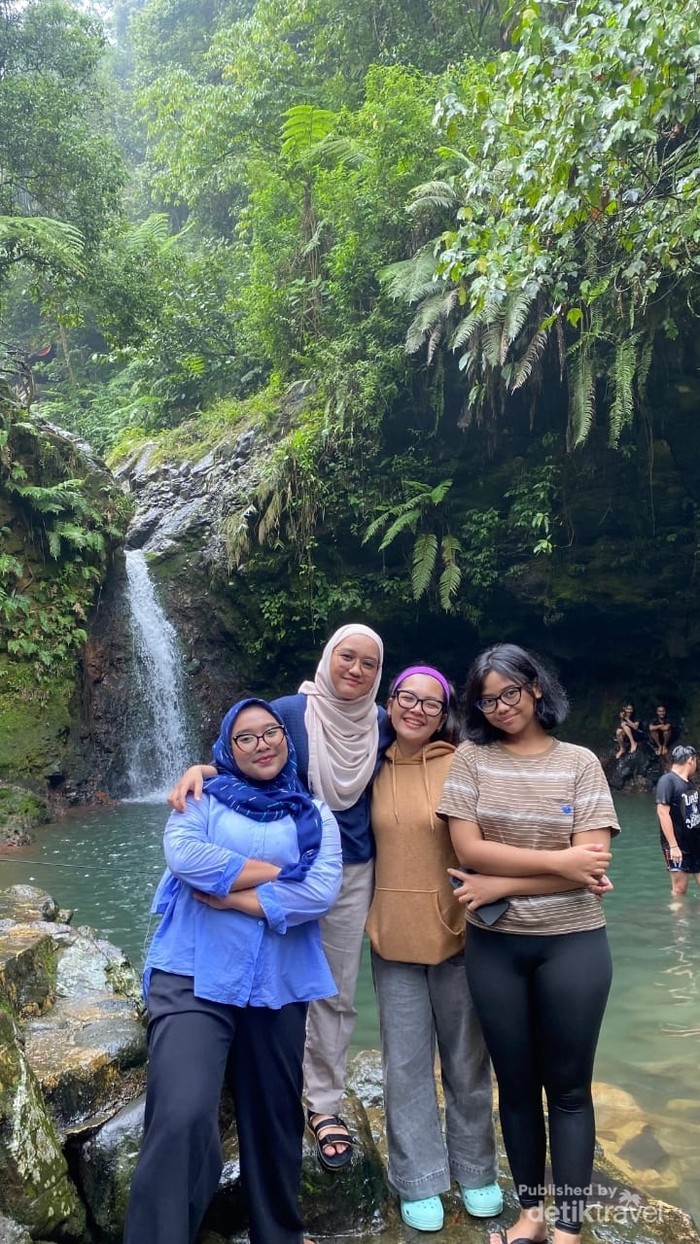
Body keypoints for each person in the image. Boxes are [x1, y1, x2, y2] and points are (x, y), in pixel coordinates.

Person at [168, 624, 392, 1171]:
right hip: (275, 863)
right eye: (347, 657)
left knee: (333, 989)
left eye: (368, 663)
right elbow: (244, 751)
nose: (356, 670)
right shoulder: (292, 712)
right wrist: (201, 768)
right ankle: (247, 1079)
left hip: (349, 866)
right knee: (274, 982)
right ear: (328, 657)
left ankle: (323, 1103)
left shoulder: (382, 723)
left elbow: (433, 737)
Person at [124, 698, 343, 1244]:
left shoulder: (315, 813)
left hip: (278, 981)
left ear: (287, 740)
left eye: (270, 732)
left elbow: (319, 892)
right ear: (228, 748)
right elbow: (187, 860)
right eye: (245, 737)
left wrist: (236, 898)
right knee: (182, 1112)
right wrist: (280, 873)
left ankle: (279, 1235)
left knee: (275, 1118)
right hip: (193, 975)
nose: (261, 743)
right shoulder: (200, 797)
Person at [437, 644, 619, 1244]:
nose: (499, 707)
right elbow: (468, 852)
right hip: (497, 947)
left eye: (509, 693)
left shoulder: (580, 762)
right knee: (515, 1086)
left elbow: (593, 864)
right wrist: (562, 861)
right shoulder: (470, 760)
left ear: (535, 687)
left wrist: (505, 881)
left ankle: (567, 1225)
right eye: (486, 699)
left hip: (574, 943)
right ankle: (532, 1215)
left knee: (568, 1089)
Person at [366, 664, 502, 1232]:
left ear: (444, 711)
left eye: (429, 702)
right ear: (390, 703)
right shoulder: (366, 767)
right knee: (405, 1065)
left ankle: (476, 1170)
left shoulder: (465, 764)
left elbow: (502, 830)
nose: (415, 709)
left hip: (460, 933)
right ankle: (418, 1178)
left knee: (469, 1061)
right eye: (406, 698)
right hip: (393, 937)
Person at [655, 743, 700, 899]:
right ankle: (679, 921)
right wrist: (673, 846)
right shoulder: (668, 780)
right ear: (690, 760)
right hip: (677, 845)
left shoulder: (689, 783)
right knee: (680, 889)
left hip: (695, 842)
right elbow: (662, 812)